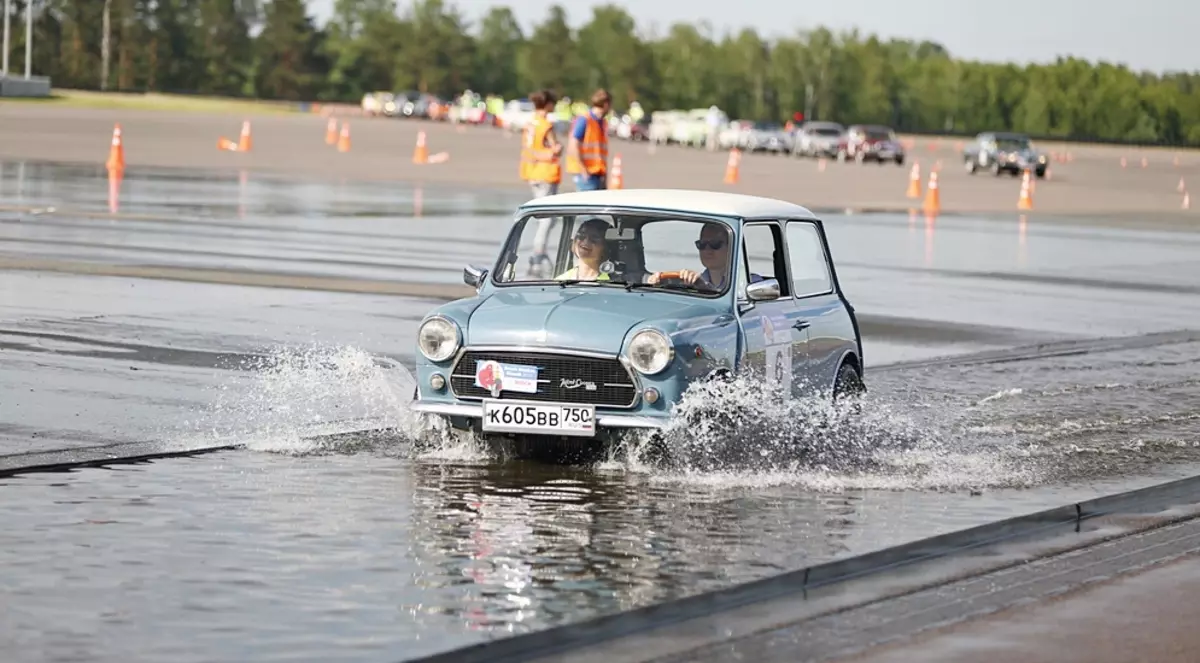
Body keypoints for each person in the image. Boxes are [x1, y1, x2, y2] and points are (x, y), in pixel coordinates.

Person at [521, 90, 564, 277]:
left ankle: (539, 251)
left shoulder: (530, 124)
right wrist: (557, 149)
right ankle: (539, 252)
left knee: (545, 217)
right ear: (547, 104)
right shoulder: (546, 125)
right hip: (546, 172)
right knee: (548, 218)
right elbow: (554, 148)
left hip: (531, 171)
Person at [647, 222, 762, 290]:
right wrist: (656, 285)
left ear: (731, 247)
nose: (707, 250)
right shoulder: (692, 282)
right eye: (702, 245)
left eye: (715, 244)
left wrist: (703, 287)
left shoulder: (750, 283)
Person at [566, 89, 612, 191]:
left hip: (598, 172)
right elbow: (573, 145)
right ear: (605, 104)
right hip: (586, 173)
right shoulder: (585, 120)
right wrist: (583, 169)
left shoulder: (601, 122)